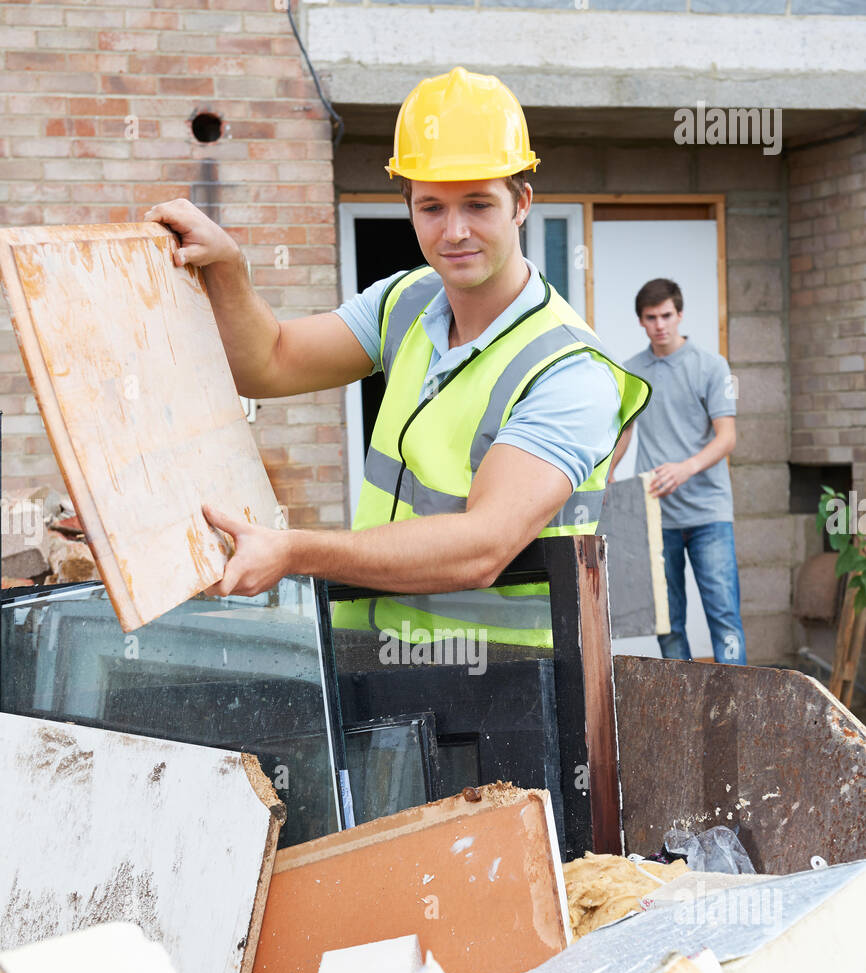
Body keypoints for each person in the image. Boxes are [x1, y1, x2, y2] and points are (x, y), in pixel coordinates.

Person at [144, 67, 649, 649]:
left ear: (521, 203)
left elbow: (482, 547)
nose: (454, 231)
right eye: (432, 206)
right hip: (379, 668)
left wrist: (293, 551)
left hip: (507, 698)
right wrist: (231, 269)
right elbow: (270, 362)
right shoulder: (405, 303)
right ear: (408, 206)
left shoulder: (569, 372)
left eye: (478, 204)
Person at [612, 278, 746, 664]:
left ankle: (733, 711)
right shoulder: (632, 370)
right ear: (641, 321)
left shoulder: (712, 366)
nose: (660, 324)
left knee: (725, 619)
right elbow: (626, 431)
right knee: (667, 625)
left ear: (680, 314)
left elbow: (727, 438)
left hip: (709, 513)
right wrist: (608, 473)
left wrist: (686, 469)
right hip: (656, 517)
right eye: (651, 317)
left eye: (666, 315)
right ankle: (683, 716)